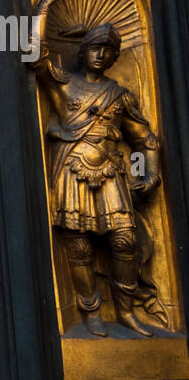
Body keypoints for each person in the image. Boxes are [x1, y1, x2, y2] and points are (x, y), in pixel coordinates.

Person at [30, 20, 166, 335]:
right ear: (83, 49)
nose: (101, 55)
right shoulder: (63, 83)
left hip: (110, 171)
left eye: (108, 50)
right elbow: (34, 56)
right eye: (95, 47)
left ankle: (126, 312)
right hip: (73, 168)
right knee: (79, 247)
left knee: (125, 240)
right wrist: (44, 10)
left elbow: (146, 141)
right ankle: (90, 311)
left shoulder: (119, 95)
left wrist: (150, 174)